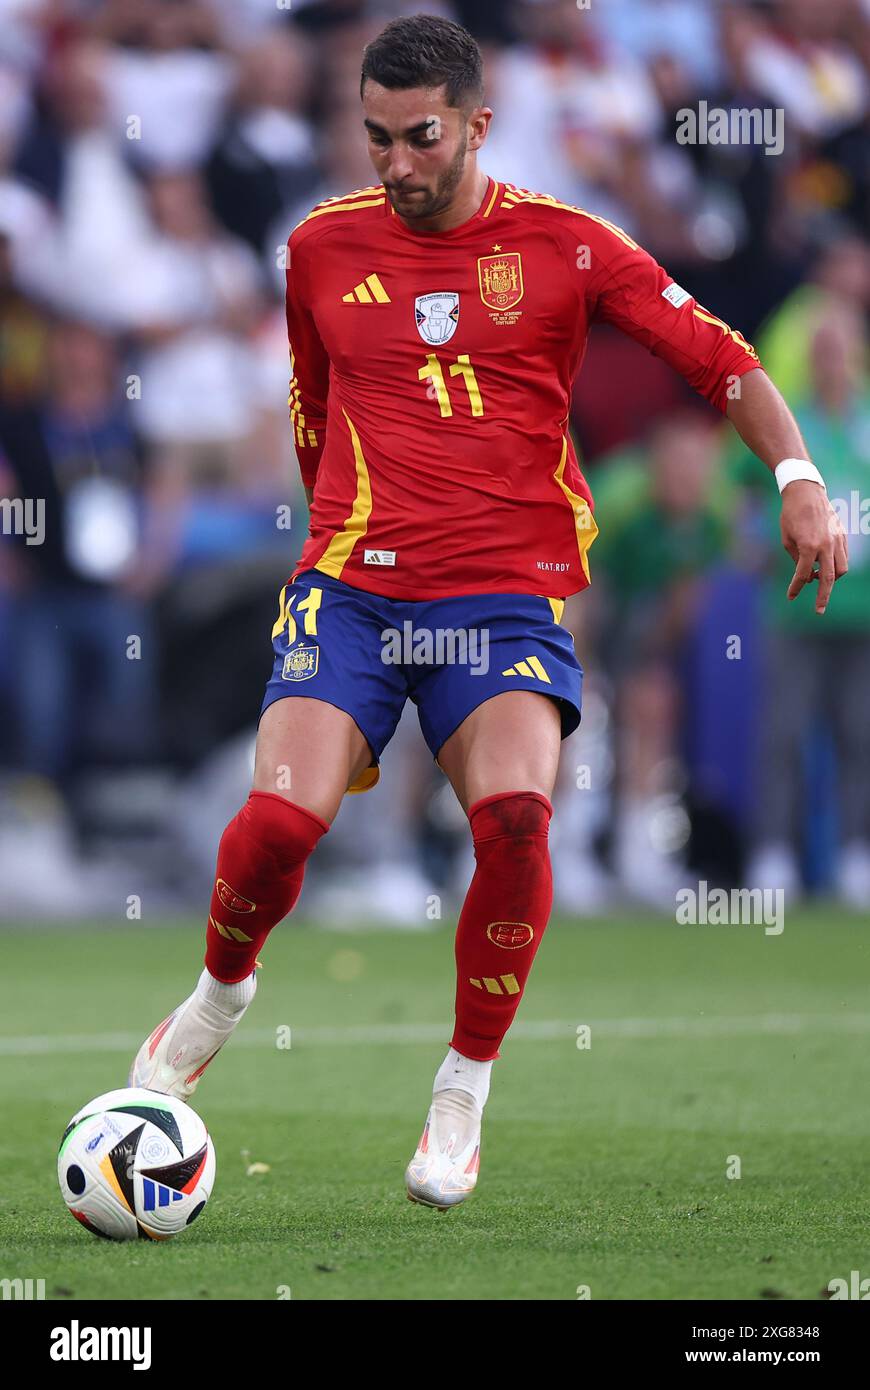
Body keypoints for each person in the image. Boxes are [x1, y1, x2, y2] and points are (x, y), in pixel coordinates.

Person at [128, 15, 846, 1212]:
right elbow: (314, 413)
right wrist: (333, 549)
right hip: (353, 590)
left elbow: (720, 356)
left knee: (516, 819)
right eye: (374, 139)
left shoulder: (568, 247)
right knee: (278, 826)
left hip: (502, 601)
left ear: (476, 125)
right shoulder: (316, 250)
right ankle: (218, 993)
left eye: (419, 139)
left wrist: (800, 479)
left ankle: (463, 1083)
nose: (396, 165)